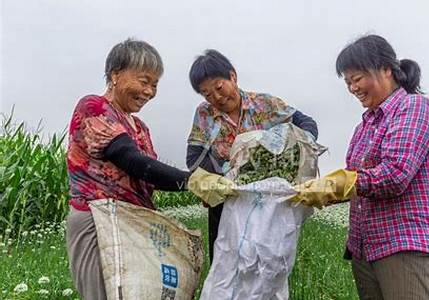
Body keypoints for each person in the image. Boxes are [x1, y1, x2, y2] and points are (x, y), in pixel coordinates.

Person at [294, 34, 429, 299]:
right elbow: (356, 183)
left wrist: (333, 186)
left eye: (357, 78)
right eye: (348, 82)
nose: (352, 88)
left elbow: (394, 174)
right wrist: (314, 190)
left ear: (386, 69)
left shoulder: (414, 108)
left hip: (406, 245)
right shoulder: (364, 126)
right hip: (367, 248)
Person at [66, 38, 191, 300]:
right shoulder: (93, 107)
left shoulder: (141, 128)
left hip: (137, 223)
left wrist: (205, 185)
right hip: (99, 220)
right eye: (144, 81)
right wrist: (194, 181)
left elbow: (150, 176)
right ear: (115, 74)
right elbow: (129, 159)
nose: (148, 92)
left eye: (154, 85)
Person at [185, 49, 319, 263]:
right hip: (226, 201)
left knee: (266, 264)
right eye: (207, 94)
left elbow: (307, 124)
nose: (217, 98)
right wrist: (218, 180)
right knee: (225, 264)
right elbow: (195, 156)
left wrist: (294, 147)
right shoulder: (205, 114)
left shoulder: (265, 104)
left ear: (233, 76)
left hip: (268, 203)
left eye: (219, 88)